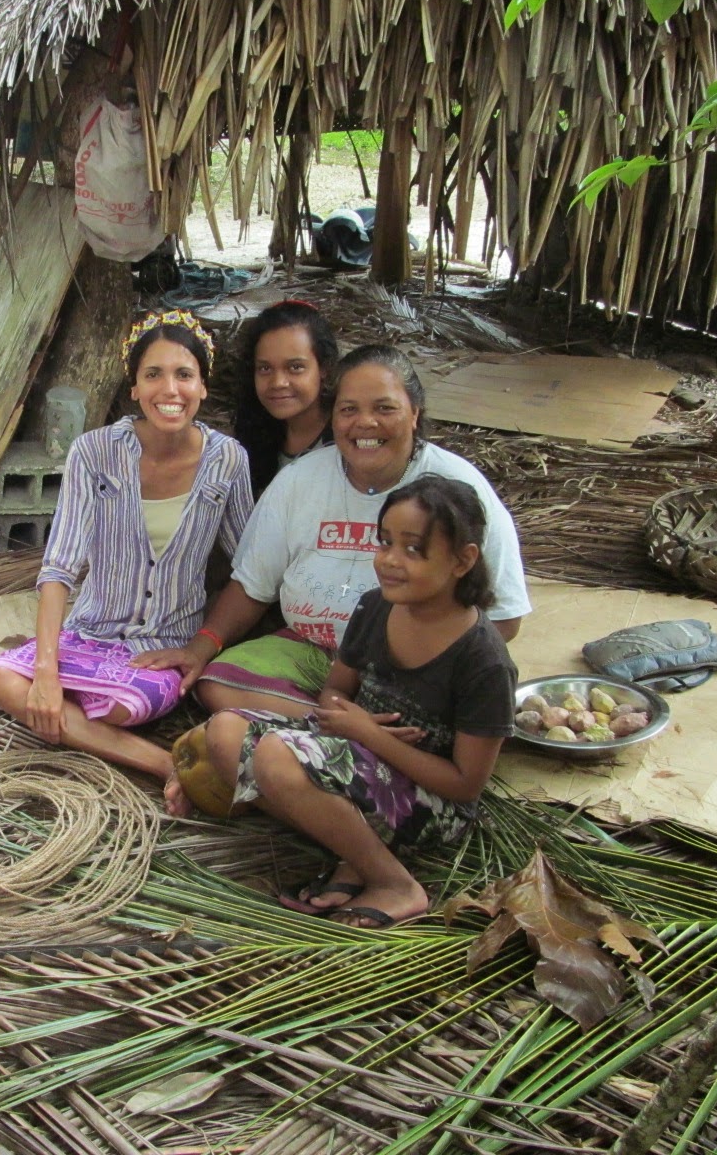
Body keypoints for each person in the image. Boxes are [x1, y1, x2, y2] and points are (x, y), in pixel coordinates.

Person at [135, 343, 529, 754]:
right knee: (219, 684)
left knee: (422, 721)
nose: (365, 424)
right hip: (310, 647)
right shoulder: (300, 480)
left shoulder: (457, 489)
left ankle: (337, 738)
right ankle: (352, 734)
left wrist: (418, 662)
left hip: (406, 672)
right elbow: (253, 585)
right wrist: (198, 649)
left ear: (414, 412)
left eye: (385, 408)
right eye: (348, 410)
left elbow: (504, 618)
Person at [197, 475, 518, 927]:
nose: (388, 560)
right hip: (355, 754)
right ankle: (353, 848)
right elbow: (335, 691)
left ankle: (395, 883)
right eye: (384, 542)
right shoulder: (376, 607)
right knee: (226, 730)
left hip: (427, 803)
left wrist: (369, 734)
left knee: (272, 755)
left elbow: (465, 786)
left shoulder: (483, 661)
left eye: (412, 549)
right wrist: (353, 719)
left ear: (463, 560)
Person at [0, 309, 253, 786]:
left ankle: (35, 704)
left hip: (160, 646)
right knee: (2, 679)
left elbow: (249, 568)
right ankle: (160, 763)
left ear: (203, 386)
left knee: (120, 707)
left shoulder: (229, 461)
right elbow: (59, 567)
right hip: (87, 631)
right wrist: (46, 670)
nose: (169, 390)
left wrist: (206, 644)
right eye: (153, 374)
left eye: (184, 375)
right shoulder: (93, 452)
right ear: (133, 386)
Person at [232, 299, 341, 497]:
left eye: (295, 367)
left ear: (324, 368)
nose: (278, 382)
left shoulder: (346, 441)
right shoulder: (254, 433)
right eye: (265, 368)